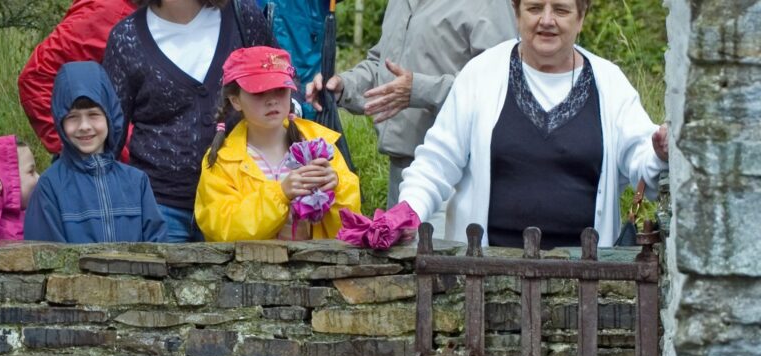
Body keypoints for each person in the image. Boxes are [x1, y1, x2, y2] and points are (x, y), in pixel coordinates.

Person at [396, 0, 669, 248]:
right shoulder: (480, 74)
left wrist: (658, 152)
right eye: (535, 8)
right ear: (517, 13)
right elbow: (435, 163)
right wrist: (408, 210)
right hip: (485, 277)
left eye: (561, 10)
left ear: (581, 17)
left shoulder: (609, 83)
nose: (547, 20)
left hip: (584, 279)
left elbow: (643, 162)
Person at [306, 0, 516, 207]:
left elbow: (499, 82)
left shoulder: (490, 4)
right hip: (400, 172)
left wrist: (420, 90)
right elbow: (382, 67)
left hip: (454, 180)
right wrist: (343, 86)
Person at [103, 0, 275, 242]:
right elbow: (110, 135)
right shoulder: (125, 38)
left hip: (241, 200)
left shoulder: (241, 16)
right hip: (160, 207)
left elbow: (279, 80)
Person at [195, 47, 360, 241]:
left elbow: (350, 225)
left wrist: (338, 189)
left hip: (316, 268)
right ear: (235, 101)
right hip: (251, 270)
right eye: (259, 92)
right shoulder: (221, 161)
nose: (272, 100)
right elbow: (223, 229)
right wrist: (280, 194)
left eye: (280, 90)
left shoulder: (320, 146)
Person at [24, 62, 167, 244]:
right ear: (60, 122)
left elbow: (157, 248)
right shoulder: (50, 186)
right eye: (72, 117)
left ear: (110, 117)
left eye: (93, 115)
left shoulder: (137, 182)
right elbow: (44, 257)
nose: (84, 126)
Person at [19, 0, 138, 155]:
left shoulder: (165, 14)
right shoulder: (111, 12)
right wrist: (82, 153)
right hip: (129, 164)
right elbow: (37, 78)